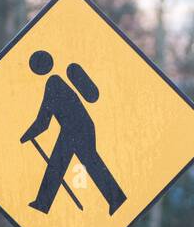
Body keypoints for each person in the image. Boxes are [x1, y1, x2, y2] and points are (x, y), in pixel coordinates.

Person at [20, 50, 126, 216]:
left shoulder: (53, 83)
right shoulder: (56, 82)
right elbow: (44, 120)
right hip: (76, 128)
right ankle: (43, 203)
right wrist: (30, 134)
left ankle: (116, 198)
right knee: (65, 164)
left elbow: (43, 120)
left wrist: (26, 136)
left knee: (73, 163)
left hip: (78, 128)